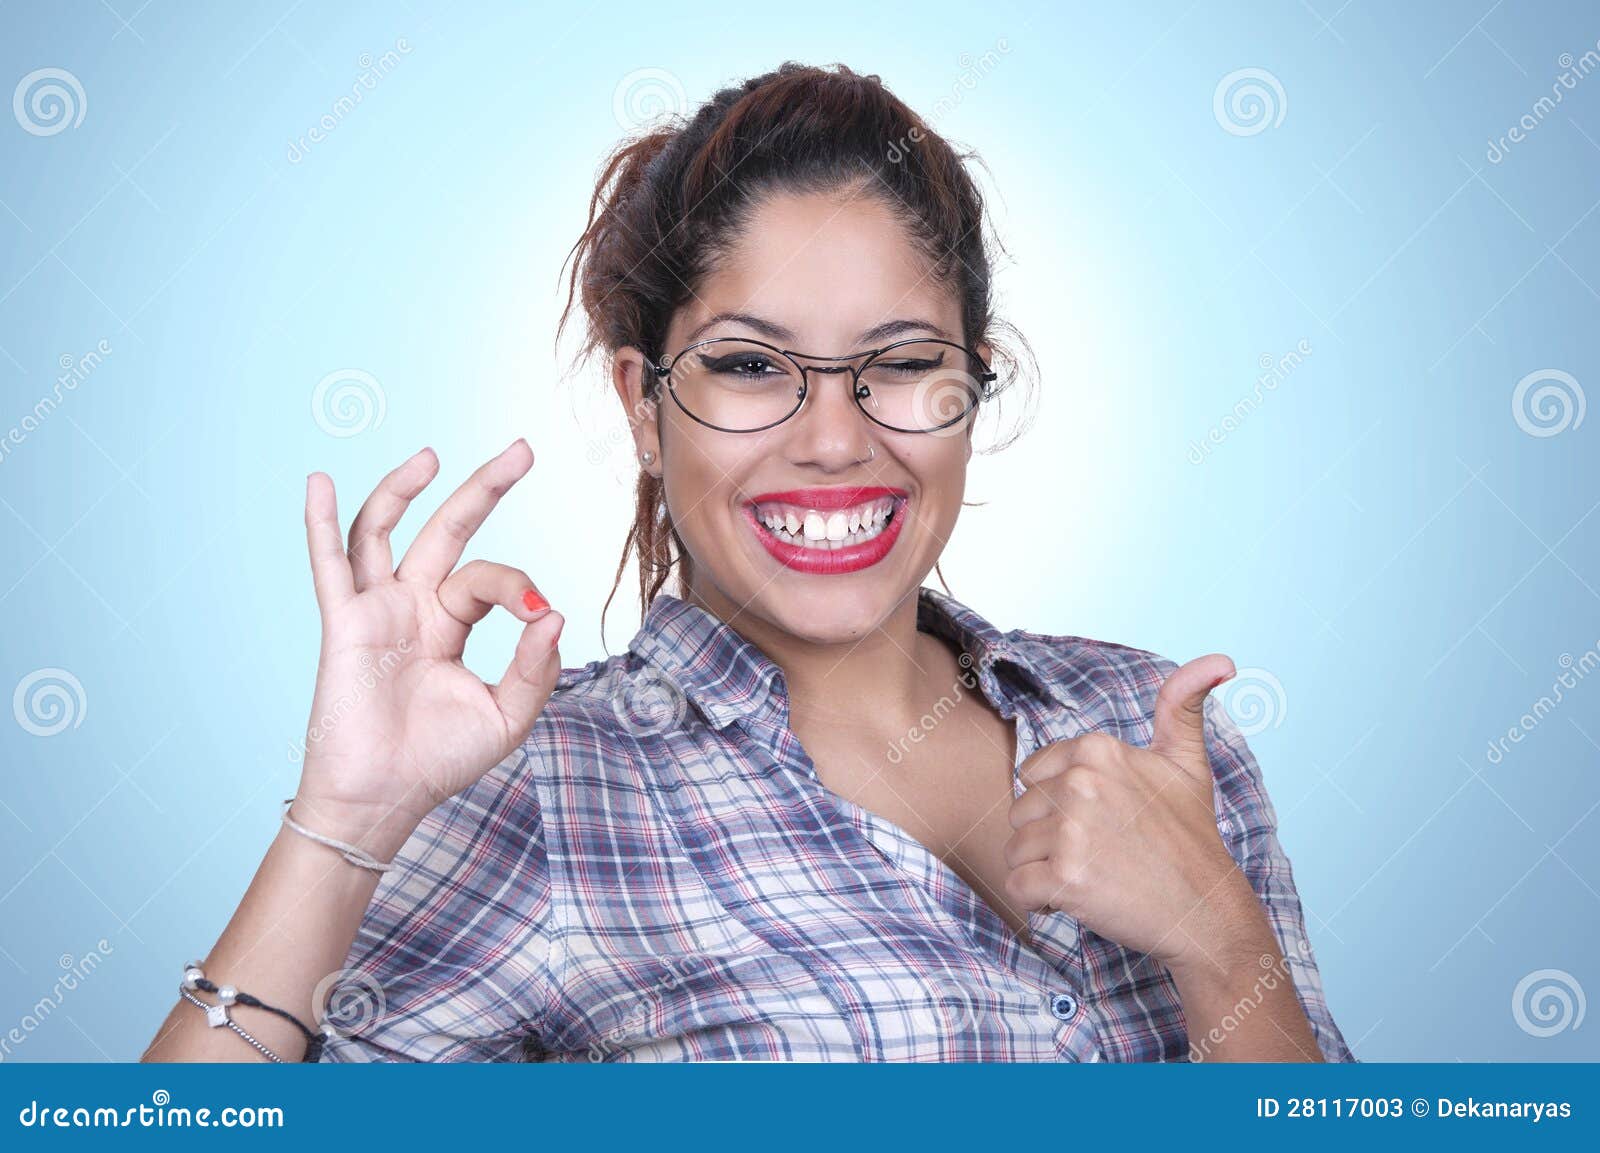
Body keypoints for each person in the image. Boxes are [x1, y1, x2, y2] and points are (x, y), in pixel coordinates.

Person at [143, 62, 1350, 1063]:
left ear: (972, 385)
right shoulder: (544, 787)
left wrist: (1220, 942)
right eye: (749, 366)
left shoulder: (1156, 727)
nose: (835, 438)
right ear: (642, 403)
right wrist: (341, 818)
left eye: (901, 362)